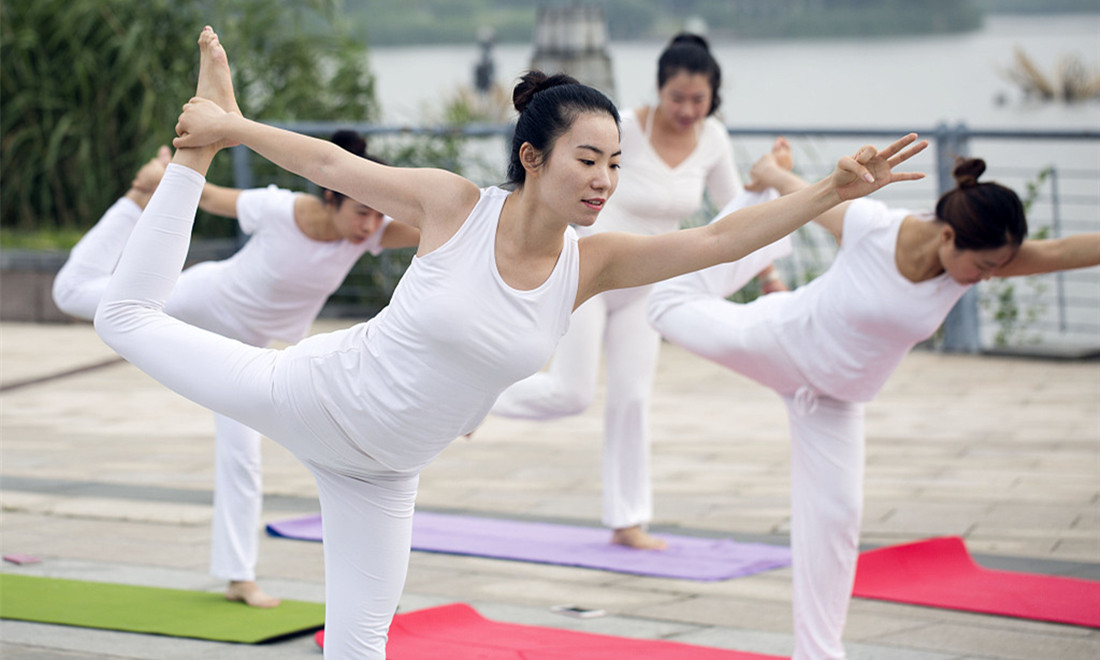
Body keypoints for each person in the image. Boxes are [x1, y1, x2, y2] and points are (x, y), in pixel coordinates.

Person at [93, 26, 925, 658]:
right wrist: (231, 131)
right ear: (532, 156)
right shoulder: (454, 205)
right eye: (587, 160)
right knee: (122, 319)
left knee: (360, 643)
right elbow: (330, 164)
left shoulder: (592, 263)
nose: (604, 180)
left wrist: (825, 191)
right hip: (311, 395)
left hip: (383, 476)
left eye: (614, 165)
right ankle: (193, 154)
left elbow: (717, 241)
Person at [646, 141, 1100, 660]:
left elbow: (1063, 252)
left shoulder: (973, 260)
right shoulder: (873, 226)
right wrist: (770, 174)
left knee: (838, 518)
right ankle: (760, 244)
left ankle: (819, 653)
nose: (989, 277)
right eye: (986, 266)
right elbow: (810, 197)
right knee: (664, 303)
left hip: (835, 399)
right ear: (950, 237)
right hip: (779, 342)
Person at [52, 133, 419, 609]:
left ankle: (238, 577)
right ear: (330, 197)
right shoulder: (277, 209)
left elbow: (445, 222)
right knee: (69, 292)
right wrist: (157, 178)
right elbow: (204, 194)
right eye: (361, 211)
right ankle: (132, 201)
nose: (371, 224)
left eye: (377, 213)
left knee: (242, 455)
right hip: (192, 302)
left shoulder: (368, 234)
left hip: (242, 348)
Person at [490, 33, 787, 550]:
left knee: (632, 400)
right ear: (659, 89)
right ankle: (475, 398)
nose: (687, 110)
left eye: (699, 100)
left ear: (712, 99)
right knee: (570, 394)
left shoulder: (713, 138)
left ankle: (628, 520)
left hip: (648, 283)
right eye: (678, 98)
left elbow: (735, 213)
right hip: (591, 271)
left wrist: (769, 266)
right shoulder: (620, 127)